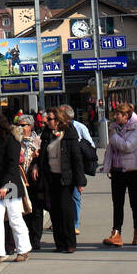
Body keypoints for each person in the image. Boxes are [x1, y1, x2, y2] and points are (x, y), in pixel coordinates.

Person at [0, 108, 31, 262]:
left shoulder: (11, 140)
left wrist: (6, 185)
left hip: (10, 185)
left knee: (15, 217)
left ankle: (23, 249)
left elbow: (12, 165)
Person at [100, 102, 137, 247]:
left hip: (133, 171)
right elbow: (111, 151)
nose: (115, 117)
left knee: (135, 203)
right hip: (118, 171)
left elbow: (128, 147)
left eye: (118, 114)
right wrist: (108, 166)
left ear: (126, 116)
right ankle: (116, 232)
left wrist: (113, 138)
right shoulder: (114, 129)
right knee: (117, 204)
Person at [40, 107, 84, 253]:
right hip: (50, 176)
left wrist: (80, 181)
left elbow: (76, 158)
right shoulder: (47, 134)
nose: (47, 122)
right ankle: (59, 244)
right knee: (54, 211)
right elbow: (42, 156)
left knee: (66, 210)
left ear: (58, 120)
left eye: (50, 119)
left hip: (66, 177)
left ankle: (70, 243)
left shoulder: (69, 134)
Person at [15, 113, 47, 251]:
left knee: (36, 210)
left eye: (23, 125)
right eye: (19, 125)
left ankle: (36, 239)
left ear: (30, 126)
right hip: (20, 180)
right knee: (24, 211)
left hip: (35, 181)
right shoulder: (16, 141)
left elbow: (44, 159)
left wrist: (36, 164)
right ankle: (26, 238)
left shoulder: (38, 141)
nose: (20, 128)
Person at [62, 104, 93, 238]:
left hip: (75, 167)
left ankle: (75, 224)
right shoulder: (57, 128)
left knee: (75, 196)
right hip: (62, 167)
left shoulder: (79, 127)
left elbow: (91, 145)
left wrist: (78, 148)